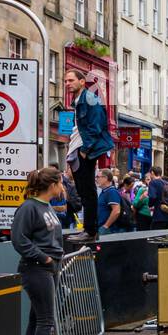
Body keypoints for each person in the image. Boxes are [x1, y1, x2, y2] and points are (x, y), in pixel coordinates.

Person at [12, 167, 73, 335]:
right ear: (52, 185)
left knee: (37, 318)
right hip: (37, 268)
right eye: (61, 183)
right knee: (46, 319)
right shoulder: (29, 207)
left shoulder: (46, 206)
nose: (63, 187)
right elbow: (19, 239)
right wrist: (43, 258)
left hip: (48, 267)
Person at [65, 68, 114, 240]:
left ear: (82, 82)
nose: (67, 84)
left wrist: (85, 150)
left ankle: (91, 231)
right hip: (79, 148)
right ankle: (88, 230)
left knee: (87, 191)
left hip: (85, 149)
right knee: (83, 190)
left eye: (71, 80)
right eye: (66, 81)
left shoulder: (90, 99)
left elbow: (96, 126)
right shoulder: (78, 101)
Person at [95, 168, 124, 235]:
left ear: (105, 178)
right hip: (103, 229)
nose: (96, 179)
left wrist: (106, 226)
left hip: (110, 231)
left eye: (98, 177)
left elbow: (116, 211)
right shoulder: (104, 192)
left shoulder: (112, 192)